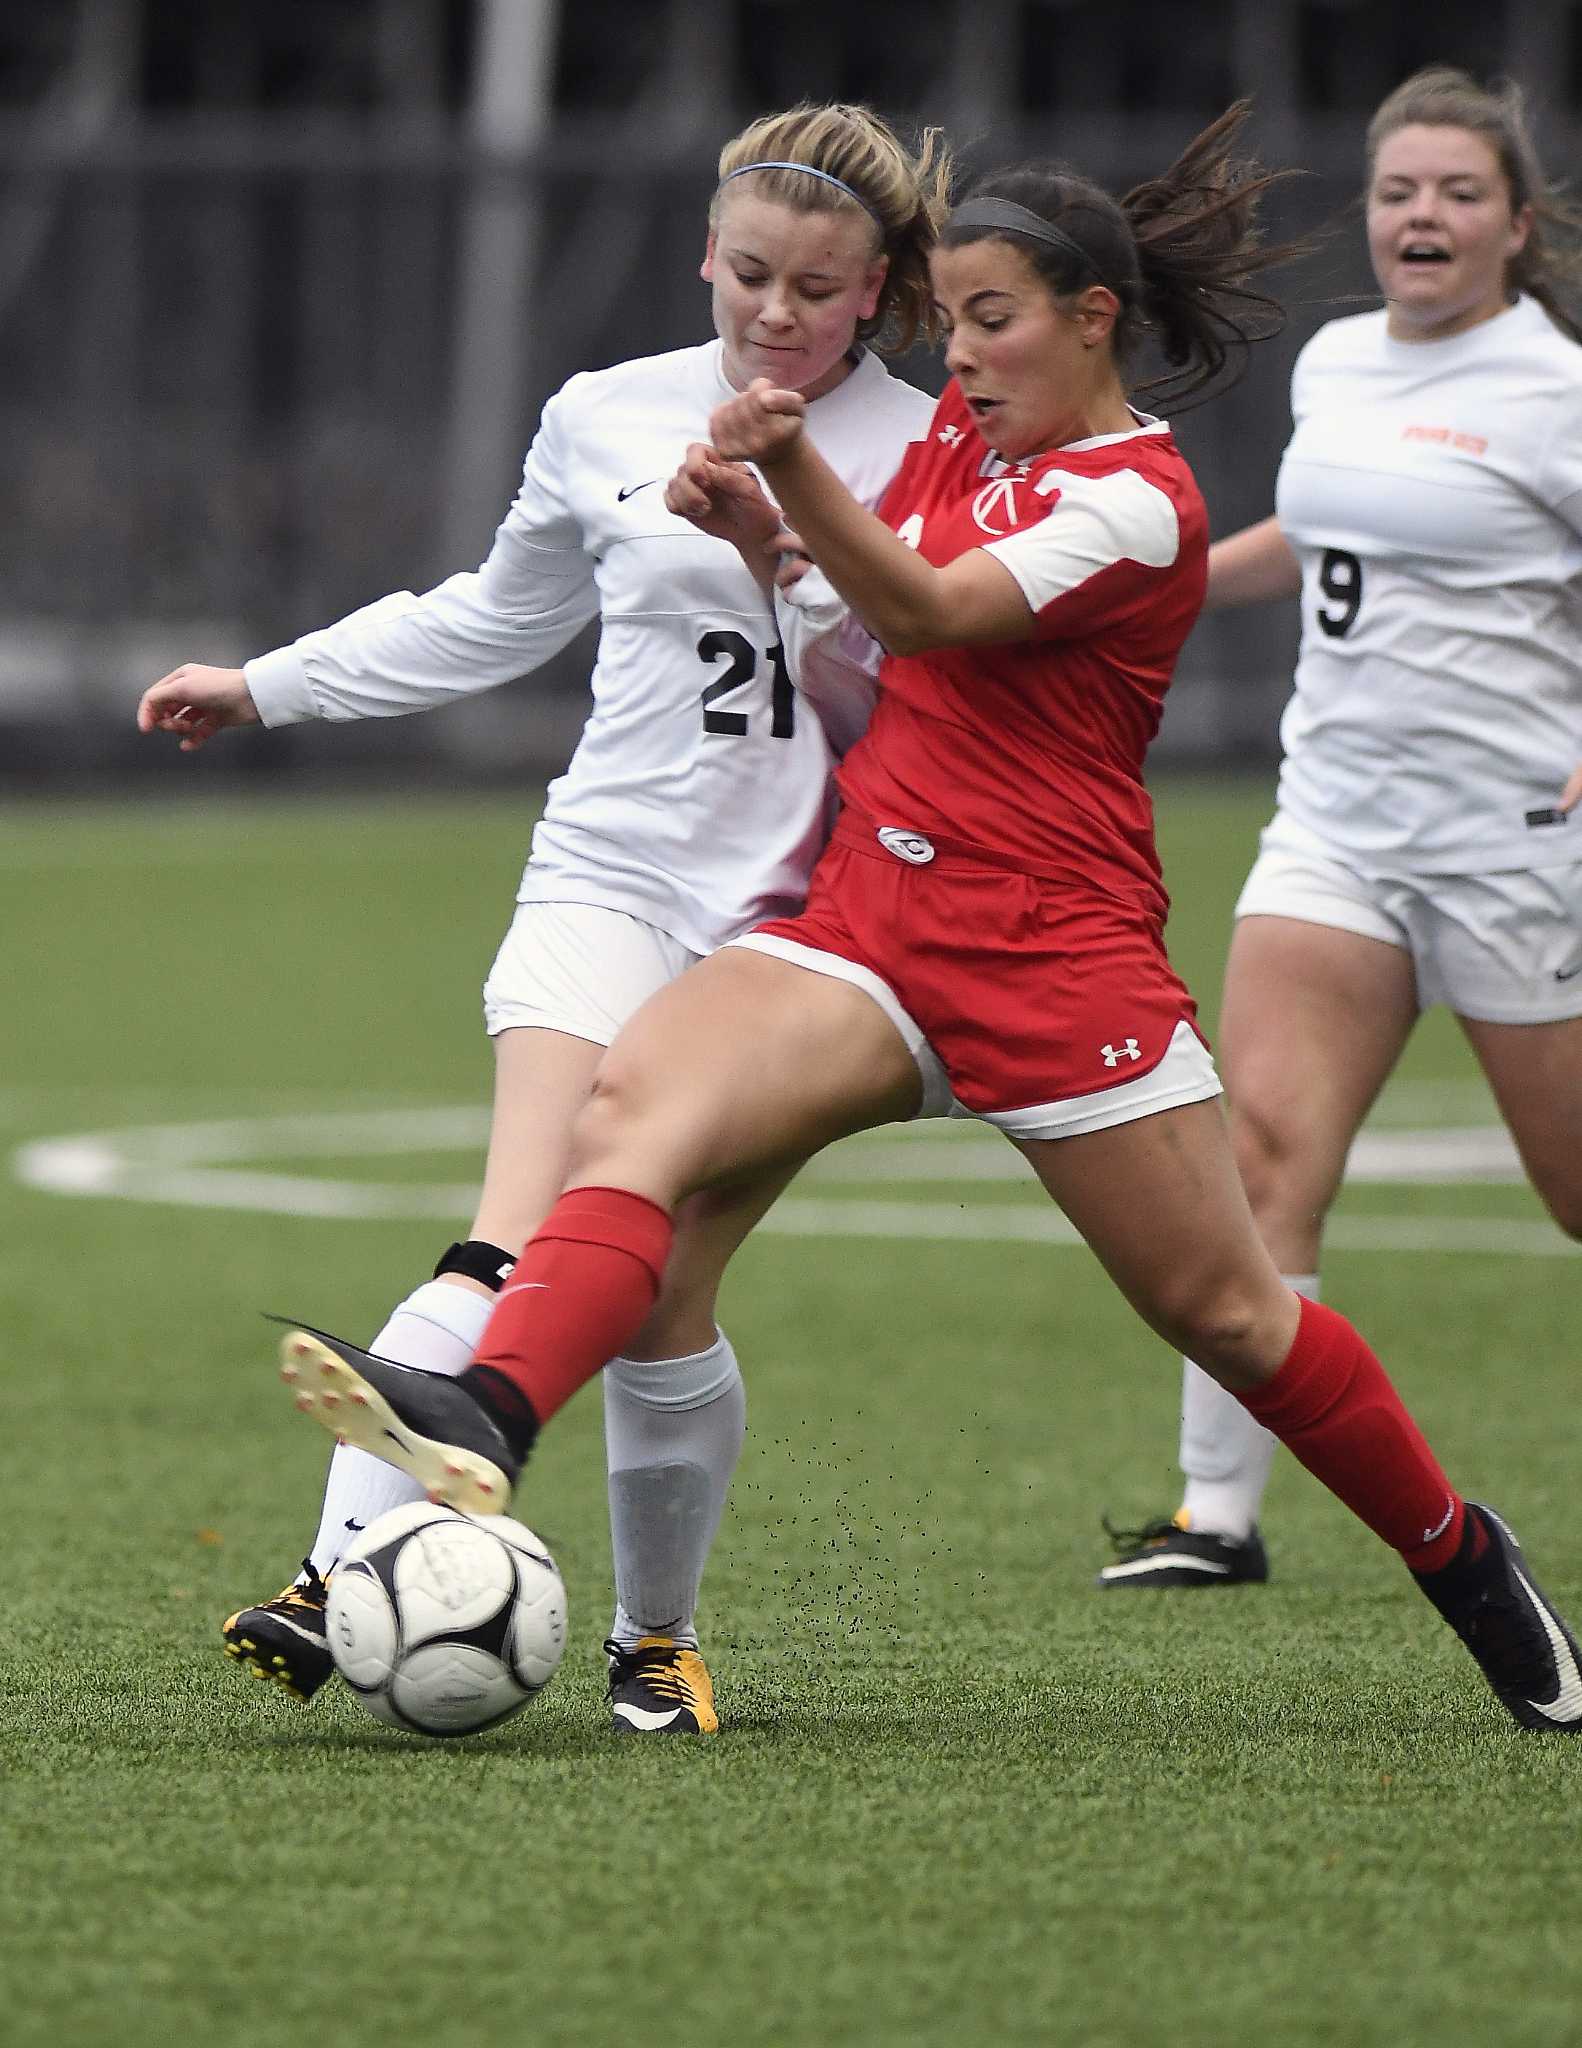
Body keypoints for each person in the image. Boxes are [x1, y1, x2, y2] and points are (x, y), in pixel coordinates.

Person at [273, 102, 1582, 1736]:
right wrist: (762, 531)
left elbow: (930, 608)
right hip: (871, 920)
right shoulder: (968, 441)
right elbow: (853, 624)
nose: (952, 354)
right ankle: (486, 1405)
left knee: (1233, 1312)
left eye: (989, 320)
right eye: (944, 318)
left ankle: (1460, 1556)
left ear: (1089, 321)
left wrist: (784, 461)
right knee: (637, 1120)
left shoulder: (1134, 498)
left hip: (1053, 957)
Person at [136, 101, 951, 1733]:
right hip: (608, 875)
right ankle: (332, 1580)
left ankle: (654, 1640)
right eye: (745, 275)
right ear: (701, 257)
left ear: (877, 291)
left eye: (812, 288)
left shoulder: (934, 450)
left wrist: (782, 554)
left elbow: (928, 690)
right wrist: (265, 686)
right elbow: (491, 621)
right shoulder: (604, 414)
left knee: (658, 1288)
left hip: (800, 930)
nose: (772, 315)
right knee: (515, 1227)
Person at [1098, 66, 1582, 1592]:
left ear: (1513, 222)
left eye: (1453, 191)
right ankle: (1211, 1518)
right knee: (1260, 1156)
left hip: (1512, 842)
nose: (1418, 216)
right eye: (1394, 191)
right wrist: (1152, 581)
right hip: (1336, 829)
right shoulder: (1335, 364)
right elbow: (1322, 532)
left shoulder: (1555, 390)